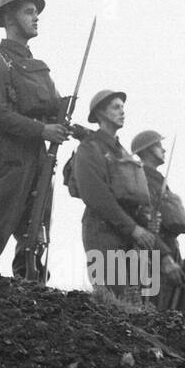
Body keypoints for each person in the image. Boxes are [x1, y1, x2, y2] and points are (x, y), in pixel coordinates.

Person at [0, 0, 71, 278]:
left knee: (36, 228)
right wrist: (42, 129)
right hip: (8, 155)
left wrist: (60, 125)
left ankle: (30, 289)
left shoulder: (37, 67)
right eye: (28, 12)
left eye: (35, 12)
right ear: (8, 18)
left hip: (39, 155)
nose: (36, 17)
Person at [72, 90, 161, 299]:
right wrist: (133, 229)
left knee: (138, 301)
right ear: (100, 114)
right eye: (115, 107)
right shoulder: (89, 148)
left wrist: (144, 224)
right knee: (111, 300)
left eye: (122, 107)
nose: (122, 112)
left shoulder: (123, 153)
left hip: (129, 234)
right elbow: (96, 195)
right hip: (103, 232)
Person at [131, 130, 185, 312]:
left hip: (168, 247)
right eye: (159, 145)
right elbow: (146, 219)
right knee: (158, 309)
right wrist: (165, 258)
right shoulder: (143, 177)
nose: (164, 150)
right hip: (155, 249)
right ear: (147, 149)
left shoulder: (158, 179)